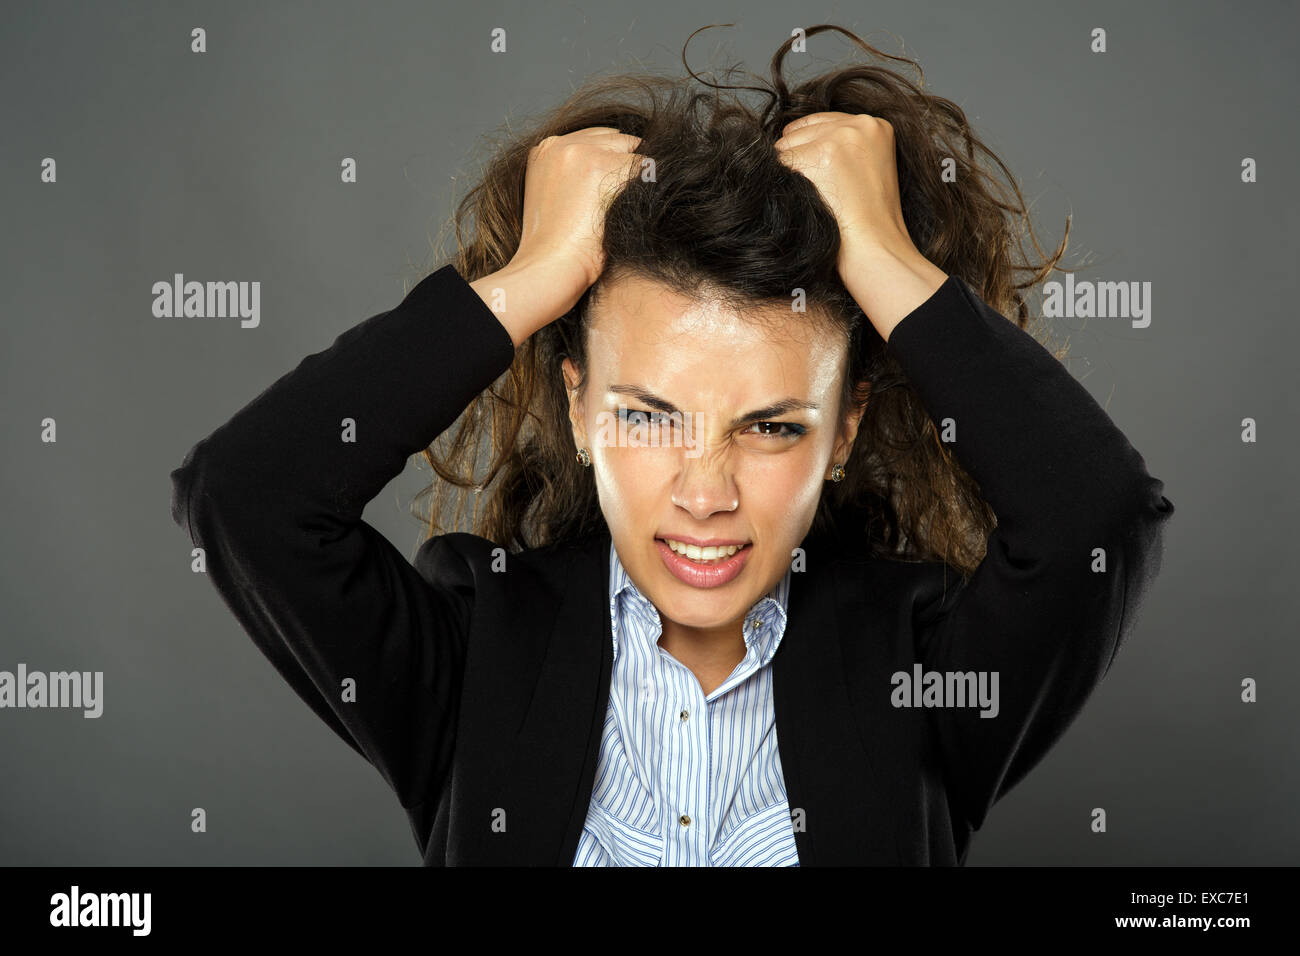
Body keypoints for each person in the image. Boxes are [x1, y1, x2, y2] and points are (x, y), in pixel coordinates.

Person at [169, 25, 1173, 866]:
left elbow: (1096, 513)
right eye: (647, 414)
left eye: (771, 425)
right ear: (577, 407)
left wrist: (883, 258)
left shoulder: (918, 662)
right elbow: (247, 494)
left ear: (844, 429)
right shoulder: (483, 646)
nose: (705, 491)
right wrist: (534, 277)